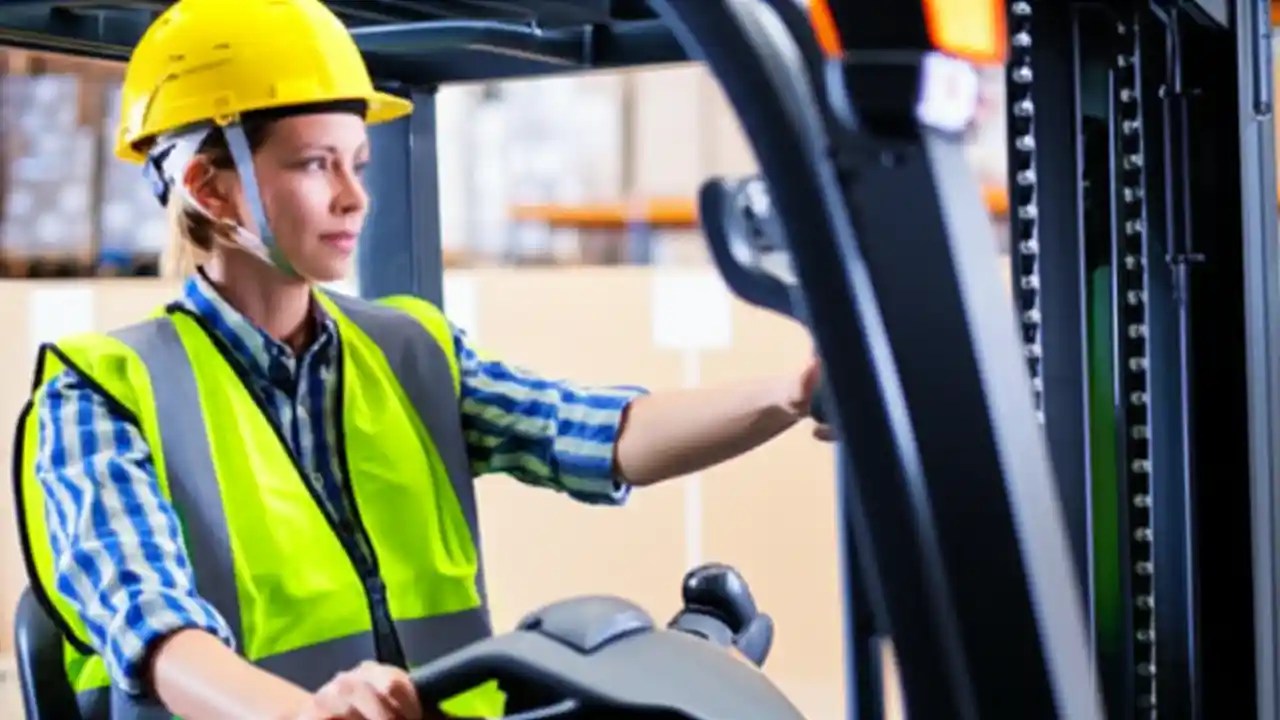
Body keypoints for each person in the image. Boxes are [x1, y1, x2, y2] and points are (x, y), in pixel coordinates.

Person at [13, 1, 829, 719]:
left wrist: (789, 395)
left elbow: (594, 432)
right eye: (314, 164)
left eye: (358, 163)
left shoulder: (408, 351)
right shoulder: (101, 394)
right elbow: (156, 629)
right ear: (211, 188)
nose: (353, 196)